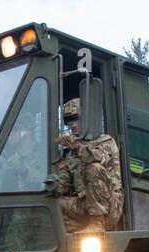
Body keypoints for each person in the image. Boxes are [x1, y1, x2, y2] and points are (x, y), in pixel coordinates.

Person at [50, 98, 123, 232]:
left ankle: (97, 224)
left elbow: (97, 159)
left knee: (94, 168)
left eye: (75, 119)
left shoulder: (105, 141)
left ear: (87, 118)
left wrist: (78, 148)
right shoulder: (71, 154)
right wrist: (48, 186)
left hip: (109, 207)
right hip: (84, 206)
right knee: (51, 203)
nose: (72, 125)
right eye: (69, 121)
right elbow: (62, 183)